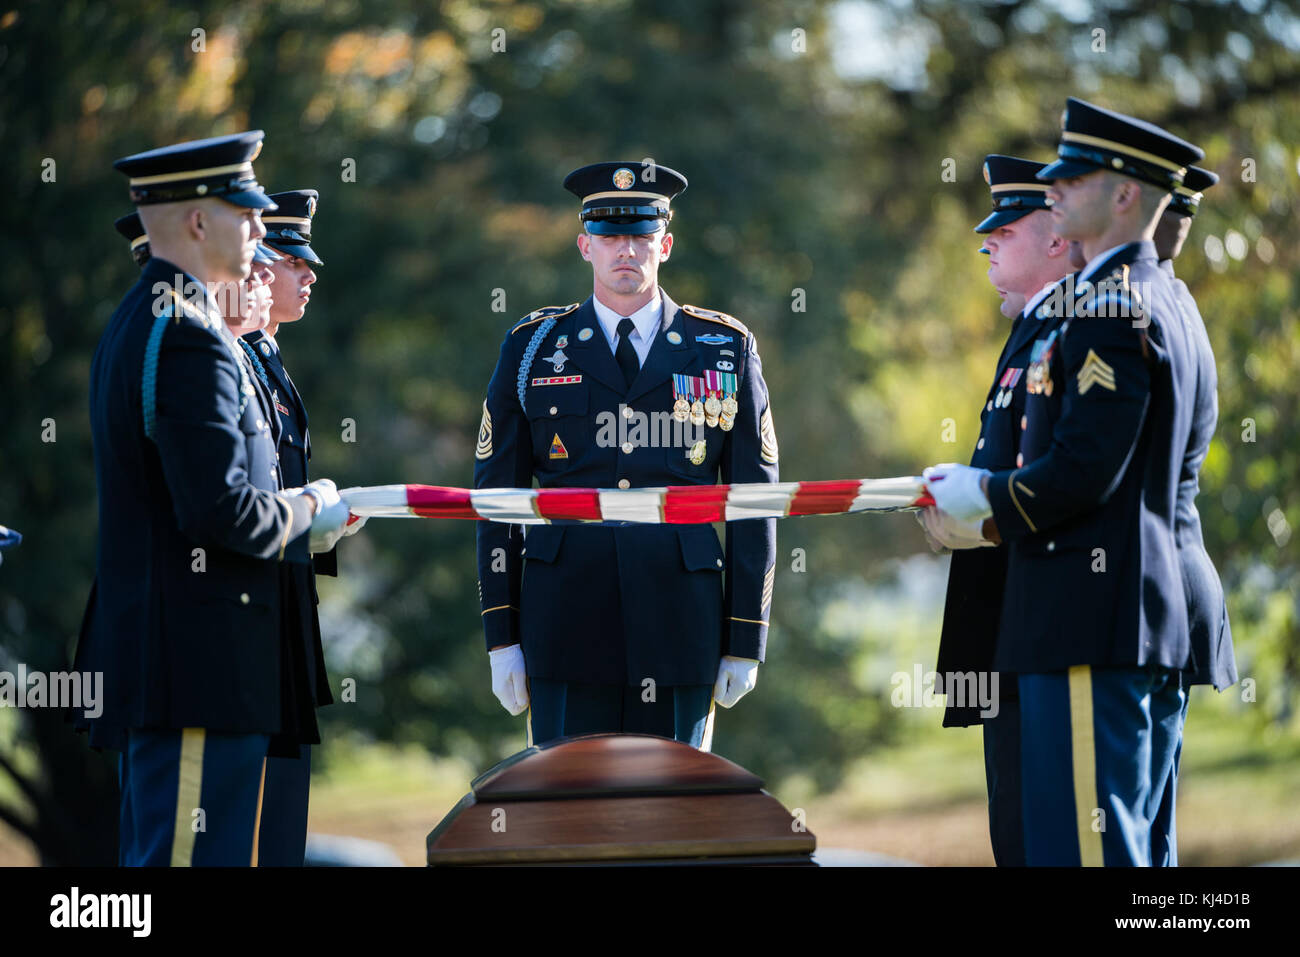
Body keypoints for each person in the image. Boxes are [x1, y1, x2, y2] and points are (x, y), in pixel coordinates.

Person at [924, 98, 1203, 866]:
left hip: (1087, 614)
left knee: (1085, 854)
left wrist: (982, 507)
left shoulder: (1112, 304)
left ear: (1123, 196)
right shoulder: (1140, 298)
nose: (1054, 189)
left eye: (1073, 177)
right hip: (1102, 615)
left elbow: (1084, 472)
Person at [76, 131, 352, 866]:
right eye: (247, 213)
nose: (261, 232)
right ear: (199, 222)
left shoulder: (154, 318)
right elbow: (222, 509)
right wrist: (311, 510)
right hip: (195, 668)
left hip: (189, 666)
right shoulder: (190, 334)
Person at [474, 162, 779, 749]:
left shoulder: (722, 347)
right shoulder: (533, 347)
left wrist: (745, 637)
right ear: (584, 244)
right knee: (568, 818)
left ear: (664, 244)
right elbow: (496, 502)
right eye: (611, 237)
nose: (626, 251)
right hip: (563, 619)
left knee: (672, 820)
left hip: (680, 623)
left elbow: (754, 502)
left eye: (641, 237)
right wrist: (501, 636)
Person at [918, 154, 1073, 867]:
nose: (987, 244)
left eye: (1005, 231)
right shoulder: (1029, 328)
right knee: (1017, 838)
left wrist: (978, 515)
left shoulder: (1072, 328)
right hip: (1009, 631)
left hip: (1048, 628)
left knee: (1060, 842)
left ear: (1056, 239)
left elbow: (1068, 480)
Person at [239, 188, 360, 866]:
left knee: (280, 824)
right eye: (289, 260)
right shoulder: (237, 358)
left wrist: (322, 527)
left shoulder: (269, 359)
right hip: (252, 618)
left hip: (282, 610)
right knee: (243, 824)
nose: (307, 274)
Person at [1149, 165, 1237, 864]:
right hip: (1177, 592)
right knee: (1154, 839)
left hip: (1141, 598)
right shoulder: (1180, 307)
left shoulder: (1132, 310)